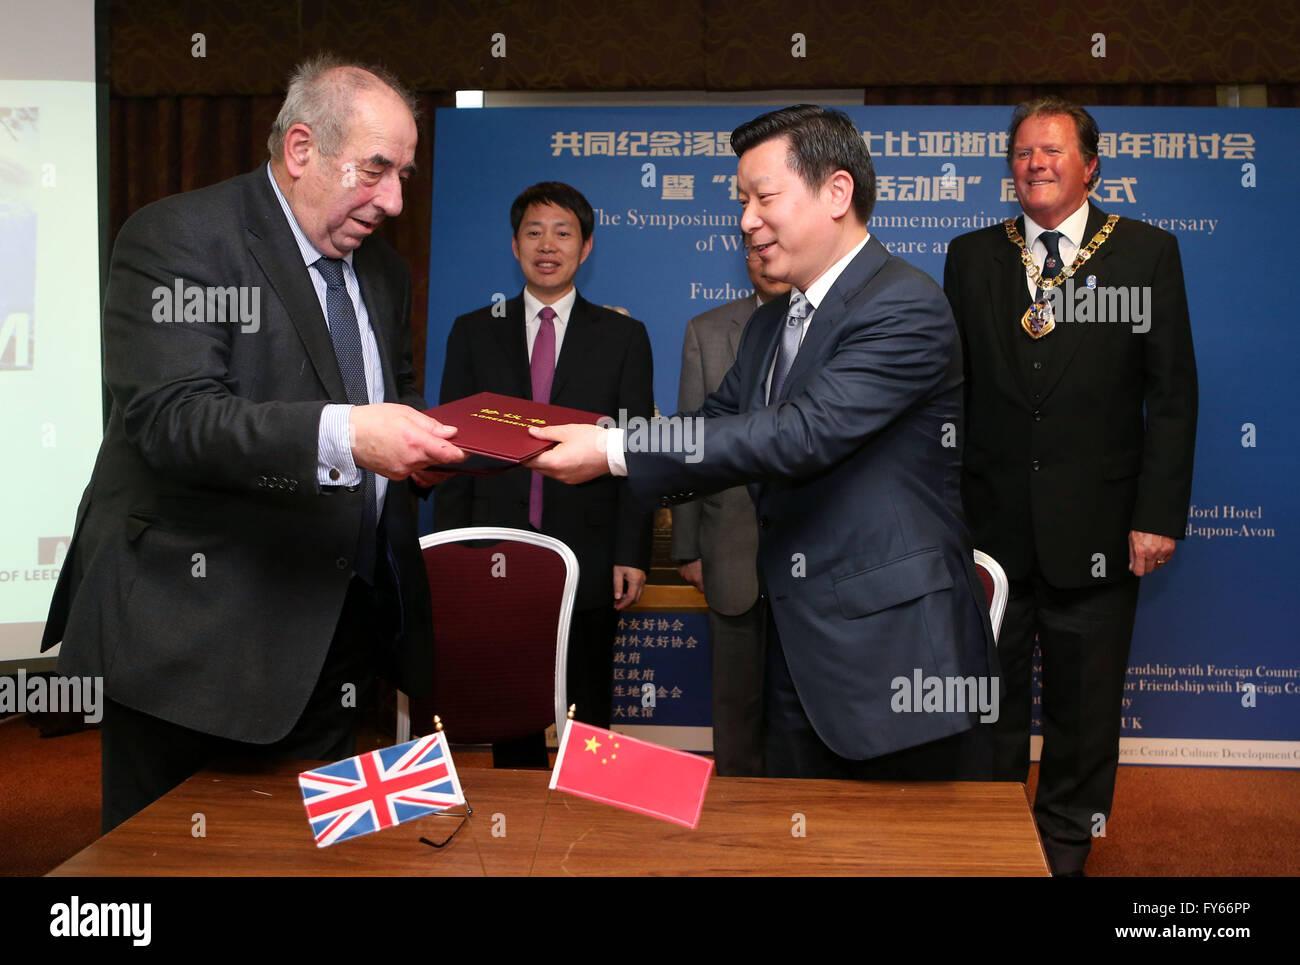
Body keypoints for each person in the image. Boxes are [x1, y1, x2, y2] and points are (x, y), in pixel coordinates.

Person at [41, 56, 465, 831]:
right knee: (170, 858)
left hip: (335, 633)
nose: (396, 201)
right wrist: (352, 435)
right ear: (301, 148)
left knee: (312, 851)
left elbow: (386, 397)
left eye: (404, 175)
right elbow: (173, 420)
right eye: (375, 171)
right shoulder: (182, 237)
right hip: (196, 637)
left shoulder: (382, 273)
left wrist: (416, 451)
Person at [529, 106, 997, 781]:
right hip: (795, 645)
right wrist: (598, 439)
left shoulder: (905, 304)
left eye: (763, 197)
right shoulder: (770, 324)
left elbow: (801, 433)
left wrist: (611, 450)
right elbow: (714, 429)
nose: (746, 219)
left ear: (836, 193)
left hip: (894, 662)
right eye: (741, 200)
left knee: (900, 850)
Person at [943, 97, 1197, 874]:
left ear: (1091, 164)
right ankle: (988, 838)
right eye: (1022, 152)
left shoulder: (1145, 253)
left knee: (1084, 712)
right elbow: (949, 392)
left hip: (1100, 526)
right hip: (989, 529)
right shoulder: (973, 255)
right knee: (988, 703)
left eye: (1052, 150)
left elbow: (1174, 395)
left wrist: (1157, 515)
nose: (1036, 164)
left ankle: (1062, 849)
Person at [435, 182, 653, 765]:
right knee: (513, 708)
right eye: (534, 232)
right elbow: (450, 452)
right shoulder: (473, 331)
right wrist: (451, 550)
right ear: (514, 245)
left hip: (588, 547)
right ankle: (516, 836)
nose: (547, 245)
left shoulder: (624, 337)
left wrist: (630, 552)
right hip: (498, 551)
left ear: (586, 249)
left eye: (563, 232)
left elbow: (637, 452)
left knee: (589, 710)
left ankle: (588, 835)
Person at [671, 238, 790, 777]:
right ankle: (739, 826)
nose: (765, 258)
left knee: (803, 712)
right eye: (753, 250)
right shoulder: (707, 330)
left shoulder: (840, 326)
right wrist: (687, 547)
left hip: (813, 555)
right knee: (736, 705)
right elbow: (689, 444)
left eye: (775, 244)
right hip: (731, 551)